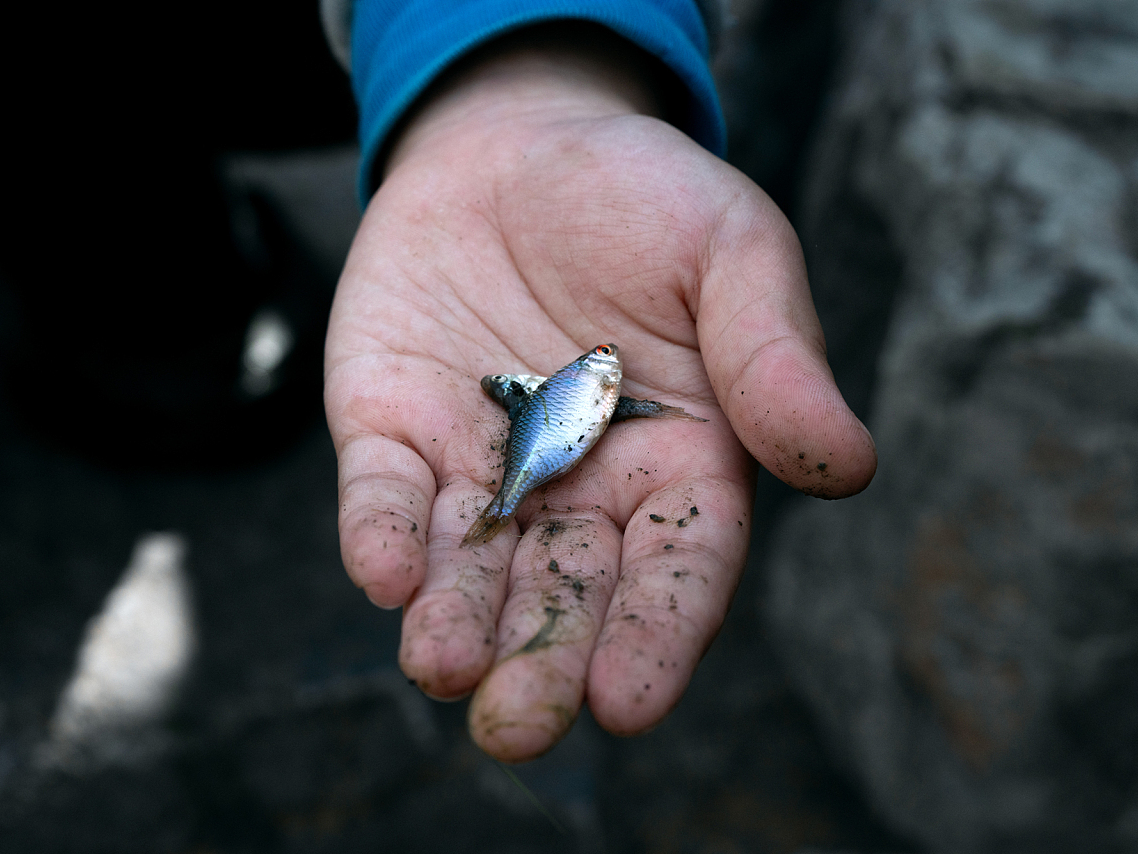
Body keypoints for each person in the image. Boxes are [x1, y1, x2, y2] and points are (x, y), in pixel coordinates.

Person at [322, 1, 878, 762]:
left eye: (602, 362)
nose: (606, 363)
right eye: (600, 360)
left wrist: (539, 83)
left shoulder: (599, 388)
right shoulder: (596, 389)